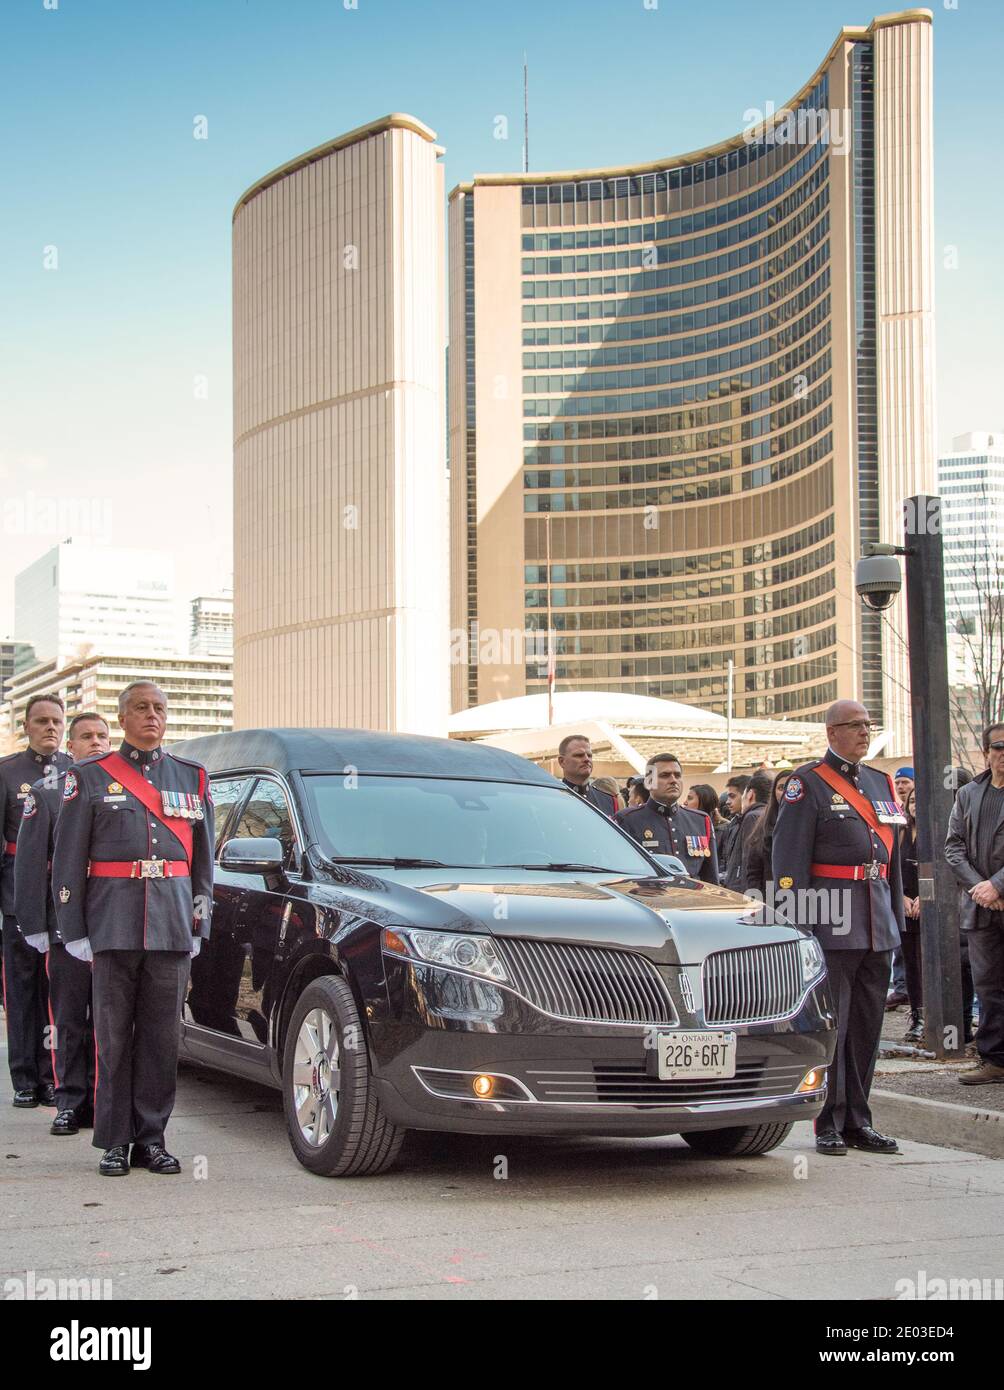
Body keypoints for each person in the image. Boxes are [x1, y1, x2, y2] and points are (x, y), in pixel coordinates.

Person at [52, 681, 214, 1176]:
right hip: (113, 923)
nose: (152, 716)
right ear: (122, 719)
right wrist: (73, 928)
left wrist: (199, 920)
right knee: (114, 1037)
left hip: (170, 925)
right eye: (141, 709)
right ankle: (114, 1141)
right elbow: (68, 860)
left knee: (162, 1038)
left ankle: (152, 1139)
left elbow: (202, 861)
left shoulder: (191, 778)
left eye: (159, 709)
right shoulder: (90, 778)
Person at [772, 699, 904, 1156]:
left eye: (869, 725)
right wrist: (799, 929)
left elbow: (891, 860)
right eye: (855, 726)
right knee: (836, 1026)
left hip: (876, 922)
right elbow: (788, 862)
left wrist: (894, 916)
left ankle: (858, 1121)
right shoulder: (806, 784)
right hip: (831, 920)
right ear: (832, 733)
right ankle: (826, 1121)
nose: (865, 732)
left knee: (867, 1028)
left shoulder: (881, 783)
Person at [15, 713, 111, 1133]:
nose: (95, 743)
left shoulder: (123, 788)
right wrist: (34, 922)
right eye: (86, 737)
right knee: (69, 1017)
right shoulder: (49, 792)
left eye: (102, 736)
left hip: (116, 922)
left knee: (110, 1019)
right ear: (69, 747)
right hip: (66, 922)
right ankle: (71, 1102)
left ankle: (106, 1101)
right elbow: (31, 863)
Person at [1, 694, 70, 1107]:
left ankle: (51, 1076)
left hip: (60, 902)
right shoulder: (8, 773)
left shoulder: (75, 772)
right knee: (21, 992)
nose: (50, 728)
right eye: (41, 721)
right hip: (17, 900)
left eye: (56, 721)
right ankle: (25, 1077)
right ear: (26, 726)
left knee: (56, 994)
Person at [945, 722, 1004, 1085]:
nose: (1003, 755)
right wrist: (981, 887)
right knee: (988, 986)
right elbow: (953, 847)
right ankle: (994, 1060)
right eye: (997, 748)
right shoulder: (968, 794)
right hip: (980, 907)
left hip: (993, 895)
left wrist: (997, 885)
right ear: (987, 752)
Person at [617, 754, 719, 883]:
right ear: (649, 782)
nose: (673, 780)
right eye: (665, 775)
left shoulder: (700, 820)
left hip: (691, 898)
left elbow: (710, 877)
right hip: (648, 898)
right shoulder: (627, 820)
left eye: (677, 775)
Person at [898, 787, 923, 1044]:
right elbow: (892, 868)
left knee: (927, 962)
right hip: (905, 906)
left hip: (929, 904)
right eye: (912, 800)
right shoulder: (902, 831)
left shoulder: (938, 831)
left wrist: (924, 899)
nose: (915, 805)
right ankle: (917, 1016)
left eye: (920, 800)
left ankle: (933, 1017)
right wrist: (901, 897)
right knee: (911, 965)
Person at [743, 770, 792, 898]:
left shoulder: (810, 822)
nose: (786, 792)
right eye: (781, 787)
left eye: (791, 787)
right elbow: (753, 871)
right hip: (769, 899)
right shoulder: (763, 824)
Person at [724, 769, 771, 893]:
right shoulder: (761, 815)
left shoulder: (753, 817)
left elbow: (748, 864)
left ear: (750, 794)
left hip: (743, 894)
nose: (727, 802)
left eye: (733, 796)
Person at [556, 735, 620, 817]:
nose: (586, 759)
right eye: (579, 755)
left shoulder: (608, 801)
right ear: (562, 761)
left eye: (589, 755)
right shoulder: (550, 799)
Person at [717, 774, 750, 873]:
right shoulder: (733, 824)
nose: (727, 802)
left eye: (732, 796)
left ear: (747, 795)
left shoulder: (753, 821)